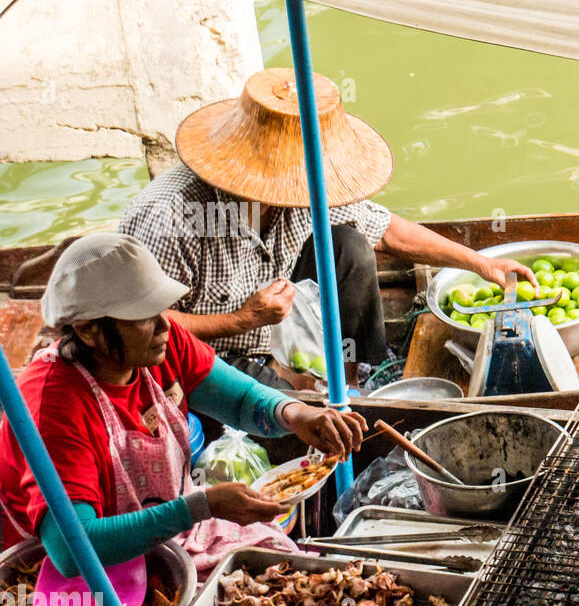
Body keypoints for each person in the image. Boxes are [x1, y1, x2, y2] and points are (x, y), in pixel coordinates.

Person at [0, 234, 368, 606]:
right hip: (73, 576)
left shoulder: (162, 342)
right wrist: (201, 507)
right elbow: (72, 549)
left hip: (169, 529)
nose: (165, 326)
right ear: (86, 328)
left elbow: (242, 400)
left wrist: (296, 414)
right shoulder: (52, 406)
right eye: (143, 316)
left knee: (288, 571)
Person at [121, 68, 533, 389]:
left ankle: (354, 379)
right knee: (286, 413)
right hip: (208, 354)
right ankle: (297, 388)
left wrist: (481, 264)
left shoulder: (308, 190)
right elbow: (140, 325)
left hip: (276, 320)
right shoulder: (170, 216)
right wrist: (243, 320)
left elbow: (388, 231)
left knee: (350, 244)